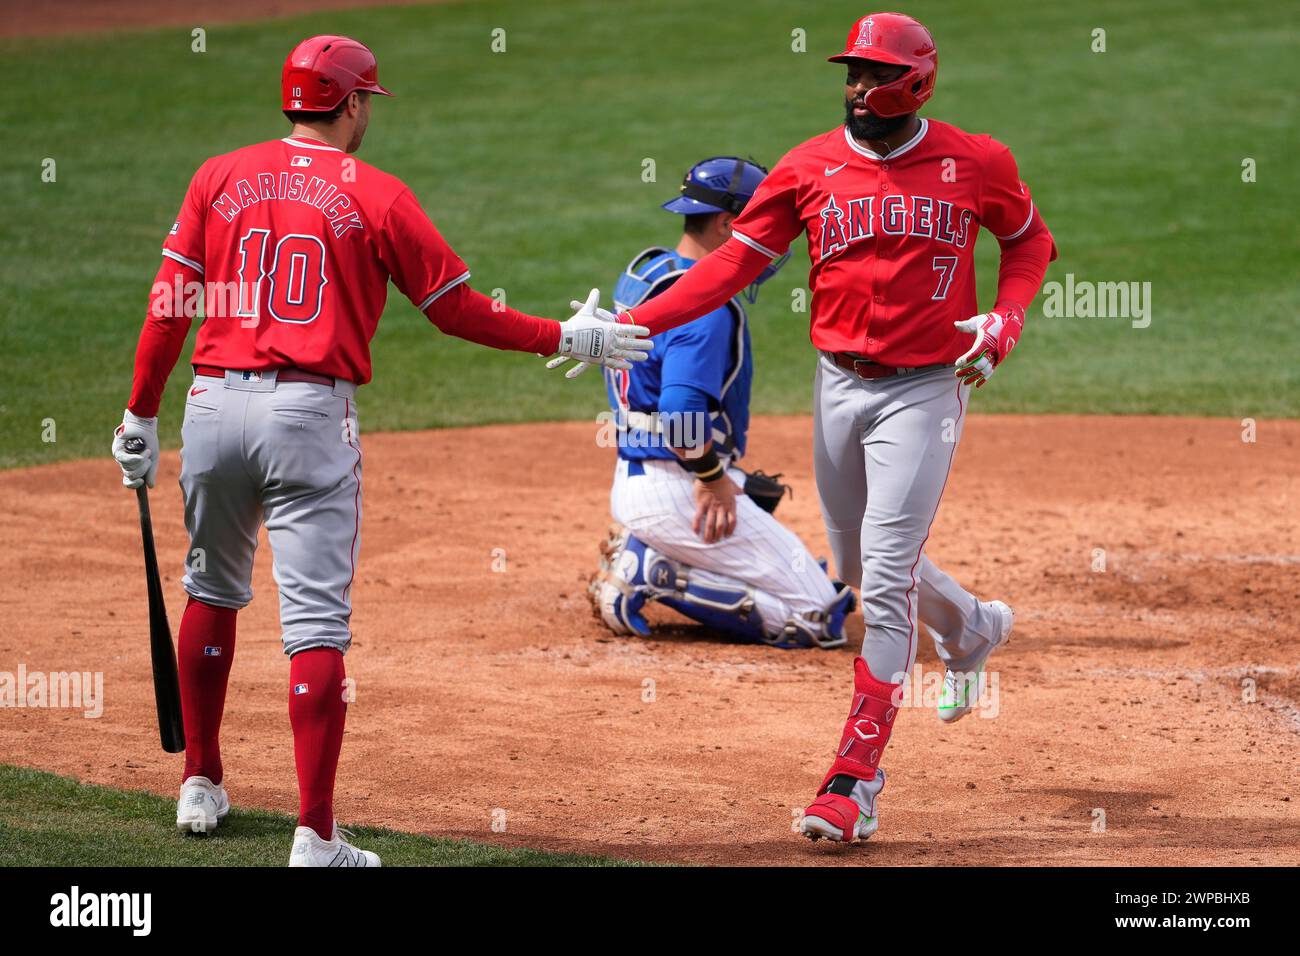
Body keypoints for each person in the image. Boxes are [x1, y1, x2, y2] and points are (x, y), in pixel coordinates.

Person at [110, 35, 647, 866]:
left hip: (211, 406)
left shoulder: (217, 175)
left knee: (210, 589)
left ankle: (201, 783)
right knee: (315, 629)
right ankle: (316, 837)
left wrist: (140, 413)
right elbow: (458, 310)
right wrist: (565, 335)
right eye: (369, 101)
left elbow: (169, 302)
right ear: (352, 104)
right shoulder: (379, 196)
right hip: (309, 417)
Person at [567, 13, 1056, 843]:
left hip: (927, 388)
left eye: (875, 75)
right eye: (852, 74)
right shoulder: (808, 167)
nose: (859, 89)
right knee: (855, 561)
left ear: (918, 83)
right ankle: (971, 629)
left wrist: (1003, 323)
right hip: (838, 382)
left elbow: (1028, 241)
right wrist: (633, 322)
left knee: (888, 575)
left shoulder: (978, 161)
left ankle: (853, 783)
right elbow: (728, 267)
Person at [591, 156, 855, 650]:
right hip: (681, 487)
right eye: (764, 225)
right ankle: (654, 570)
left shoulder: (648, 270)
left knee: (803, 573)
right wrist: (713, 481)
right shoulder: (703, 305)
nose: (772, 241)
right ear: (729, 224)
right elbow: (680, 414)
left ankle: (669, 554)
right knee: (820, 616)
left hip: (642, 475)